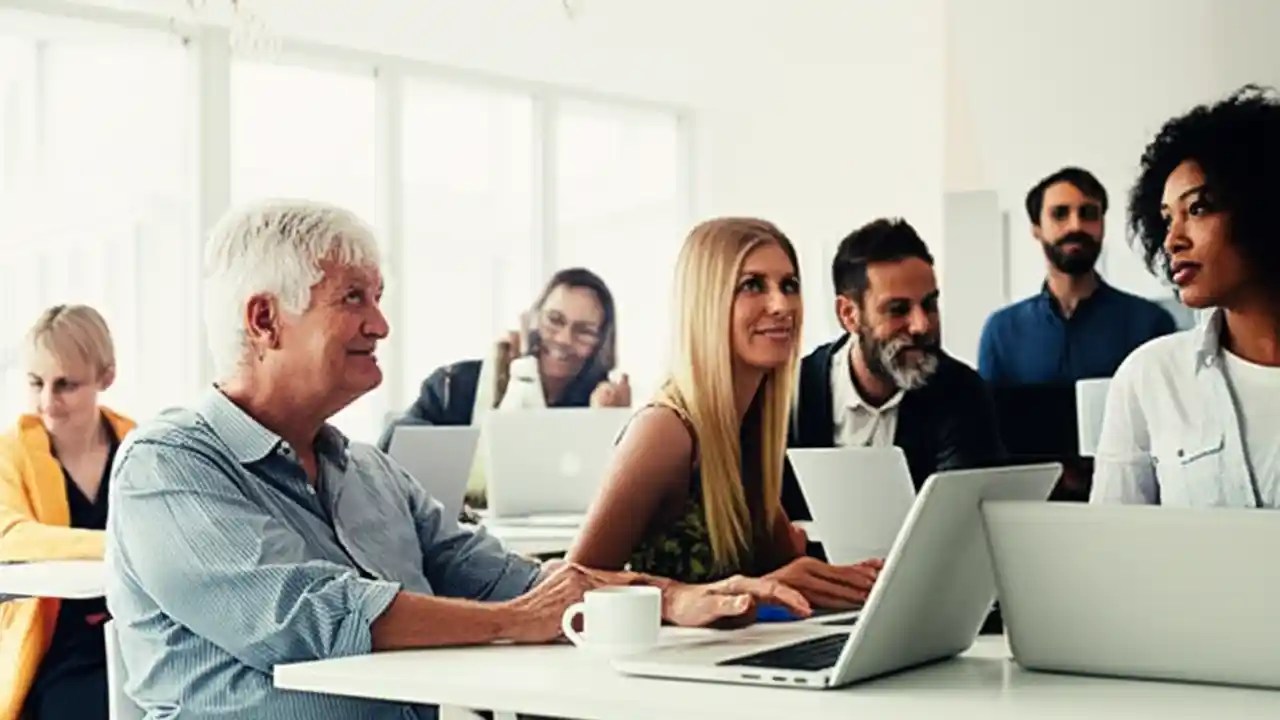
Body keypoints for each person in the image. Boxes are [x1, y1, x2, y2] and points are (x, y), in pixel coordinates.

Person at [105, 199, 808, 720]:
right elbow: (312, 618)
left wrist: (673, 598)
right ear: (265, 320)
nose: (381, 323)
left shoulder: (371, 473)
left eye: (379, 298)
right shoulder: (168, 465)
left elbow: (516, 580)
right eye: (353, 298)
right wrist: (517, 621)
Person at [568, 217, 882, 610]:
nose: (781, 305)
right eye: (752, 285)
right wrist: (758, 587)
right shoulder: (665, 430)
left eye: (789, 286)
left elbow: (779, 570)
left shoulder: (749, 427)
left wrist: (852, 581)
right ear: (707, 303)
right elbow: (572, 588)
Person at [1092, 85, 1280, 508]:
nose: (1172, 240)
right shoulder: (1149, 377)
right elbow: (1111, 541)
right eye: (1165, 220)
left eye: (1198, 209)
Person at [785, 218, 1005, 521]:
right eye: (898, 310)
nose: (921, 325)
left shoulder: (962, 392)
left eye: (929, 305)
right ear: (848, 315)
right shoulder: (794, 393)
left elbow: (959, 521)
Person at [0, 304, 135, 720]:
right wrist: (122, 544)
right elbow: (10, 536)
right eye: (36, 383)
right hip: (57, 647)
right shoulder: (11, 453)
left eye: (66, 385)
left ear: (106, 377)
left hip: (138, 637)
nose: (47, 402)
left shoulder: (141, 446)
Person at [378, 267, 631, 449]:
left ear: (602, 343)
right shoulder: (457, 384)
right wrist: (497, 380)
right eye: (554, 320)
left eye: (584, 331)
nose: (564, 339)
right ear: (531, 321)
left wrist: (610, 426)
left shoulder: (601, 403)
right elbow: (395, 442)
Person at [978, 167, 1176, 386]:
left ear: (1102, 224)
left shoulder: (1149, 325)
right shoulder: (1002, 333)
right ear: (1036, 228)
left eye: (1088, 213)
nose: (1076, 226)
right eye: (1059, 214)